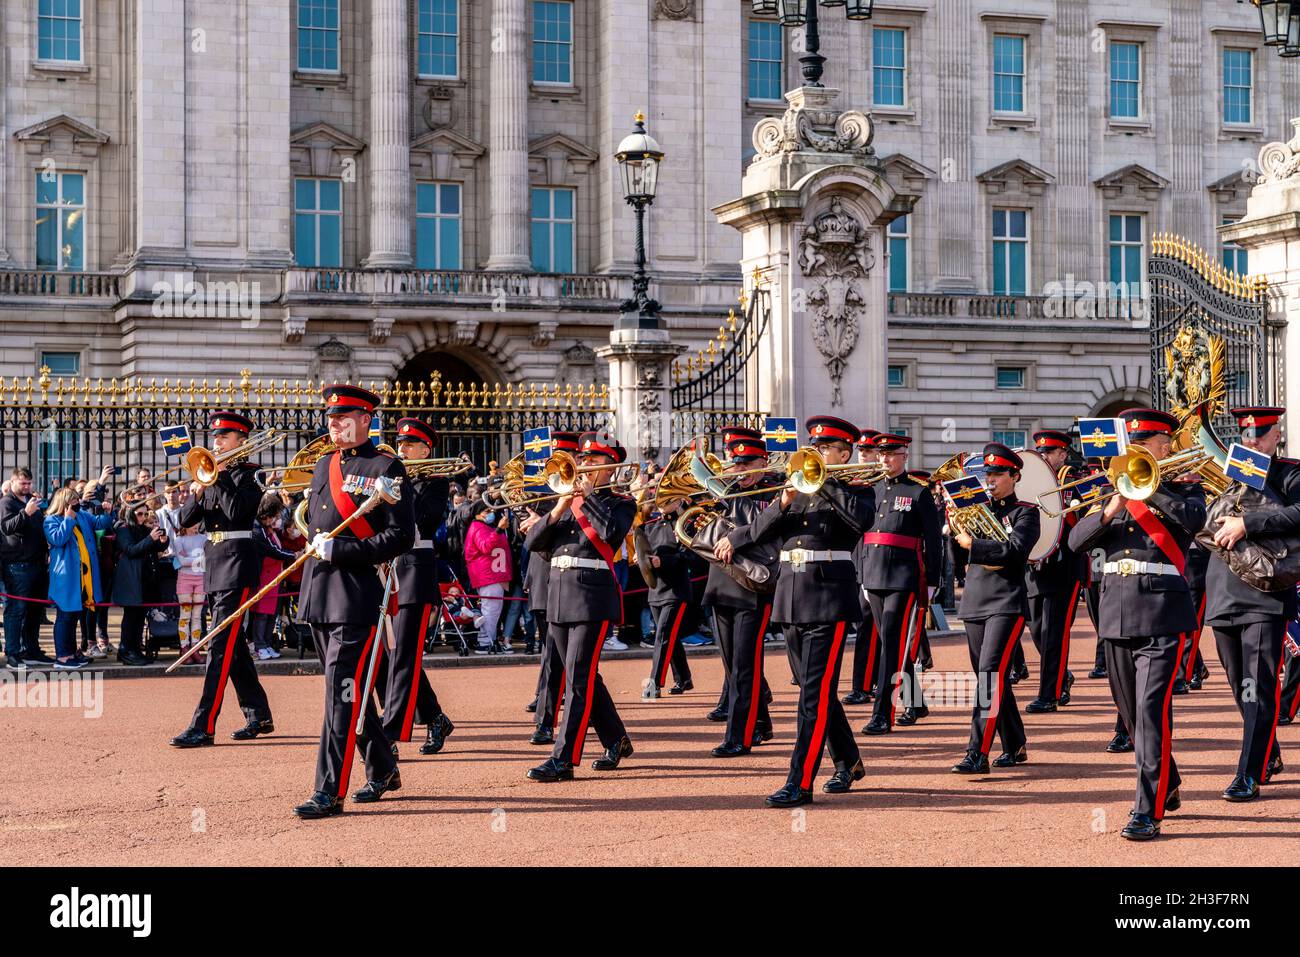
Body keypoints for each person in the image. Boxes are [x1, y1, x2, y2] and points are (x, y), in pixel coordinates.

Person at [1069, 408, 1206, 840]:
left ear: (1165, 447)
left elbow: (1196, 522)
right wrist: (1109, 509)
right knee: (1131, 717)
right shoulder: (1111, 489)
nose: (1134, 454)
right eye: (1132, 446)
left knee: (1150, 712)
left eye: (1144, 446)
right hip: (1115, 613)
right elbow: (1075, 542)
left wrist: (1149, 489)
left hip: (1162, 612)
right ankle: (1169, 782)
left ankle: (1146, 810)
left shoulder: (1184, 488)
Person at [292, 386, 414, 818]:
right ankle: (382, 768)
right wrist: (312, 541)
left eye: (343, 417)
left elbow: (400, 535)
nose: (334, 423)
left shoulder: (387, 466)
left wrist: (339, 550)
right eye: (330, 417)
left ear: (366, 418)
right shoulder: (324, 464)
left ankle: (329, 790)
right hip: (320, 592)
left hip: (358, 596)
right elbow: (317, 519)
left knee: (340, 694)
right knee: (349, 689)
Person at [742, 415, 873, 807]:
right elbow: (756, 534)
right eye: (813, 448)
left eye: (825, 448)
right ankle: (848, 761)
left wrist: (826, 479)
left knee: (812, 698)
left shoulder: (857, 487)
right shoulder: (795, 488)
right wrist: (781, 502)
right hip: (791, 597)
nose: (815, 453)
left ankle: (799, 781)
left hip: (827, 600)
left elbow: (861, 521)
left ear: (844, 453)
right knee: (816, 692)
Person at [522, 431, 636, 783]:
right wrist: (556, 509)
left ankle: (564, 758)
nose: (585, 466)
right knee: (580, 676)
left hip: (592, 597)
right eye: (583, 460)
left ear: (610, 467)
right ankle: (616, 739)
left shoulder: (620, 502)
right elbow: (533, 543)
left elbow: (610, 535)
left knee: (579, 678)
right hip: (558, 594)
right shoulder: (563, 500)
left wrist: (587, 500)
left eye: (594, 461)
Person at [1204, 406, 1298, 802]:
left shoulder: (1290, 474)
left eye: (1260, 435)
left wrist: (1249, 522)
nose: (1252, 442)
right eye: (1246, 436)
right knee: (1239, 686)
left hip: (1265, 592)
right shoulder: (1222, 473)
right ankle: (1268, 752)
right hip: (1224, 589)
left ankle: (1249, 772)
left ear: (1276, 435)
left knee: (1257, 686)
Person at [169, 411, 276, 749]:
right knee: (232, 647)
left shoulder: (250, 474)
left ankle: (204, 724)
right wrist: (196, 492)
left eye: (223, 437)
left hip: (238, 562)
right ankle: (258, 714)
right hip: (214, 564)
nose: (215, 442)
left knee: (219, 645)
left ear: (241, 442)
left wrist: (219, 478)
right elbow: (185, 521)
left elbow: (237, 512)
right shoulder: (211, 474)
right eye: (215, 437)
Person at [949, 443, 1040, 773]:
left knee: (989, 675)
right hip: (974, 600)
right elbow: (960, 560)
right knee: (993, 677)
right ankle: (1014, 744)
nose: (991, 479)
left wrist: (976, 545)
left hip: (1006, 602)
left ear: (1014, 476)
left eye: (998, 474)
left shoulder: (1026, 512)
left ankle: (978, 752)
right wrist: (954, 531)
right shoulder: (976, 510)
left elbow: (1016, 551)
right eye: (988, 473)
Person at [378, 417, 455, 756]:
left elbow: (420, 522)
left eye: (409, 445)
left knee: (404, 656)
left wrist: (398, 486)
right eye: (401, 444)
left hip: (415, 572)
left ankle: (391, 732)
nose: (402, 449)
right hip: (388, 574)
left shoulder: (436, 483)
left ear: (426, 449)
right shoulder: (394, 480)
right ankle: (435, 718)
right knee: (394, 655)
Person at [860, 433, 941, 734]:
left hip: (903, 578)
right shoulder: (871, 489)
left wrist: (931, 581)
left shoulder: (918, 493)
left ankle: (883, 712)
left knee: (891, 644)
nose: (884, 459)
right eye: (881, 454)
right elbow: (862, 537)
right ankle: (916, 701)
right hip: (873, 575)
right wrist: (862, 575)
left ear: (904, 455)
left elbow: (933, 542)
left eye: (891, 454)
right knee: (890, 644)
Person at [706, 431, 780, 755]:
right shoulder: (726, 490)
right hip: (722, 584)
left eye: (747, 463)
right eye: (737, 463)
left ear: (763, 462)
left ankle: (738, 737)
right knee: (731, 663)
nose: (740, 469)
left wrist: (735, 535)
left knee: (745, 664)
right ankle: (761, 722)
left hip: (755, 586)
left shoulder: (775, 490)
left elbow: (764, 523)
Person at [1022, 430, 1087, 713]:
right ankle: (1062, 675)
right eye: (1041, 452)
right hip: (1035, 568)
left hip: (1064, 565)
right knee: (1036, 628)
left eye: (1050, 453)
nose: (1044, 457)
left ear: (1063, 454)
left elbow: (1086, 519)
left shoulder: (1075, 480)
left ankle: (1049, 693)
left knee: (1053, 632)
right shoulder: (1028, 481)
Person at [525, 431, 581, 746]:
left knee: (562, 658)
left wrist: (544, 524)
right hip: (542, 575)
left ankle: (550, 720)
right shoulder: (539, 487)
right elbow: (534, 535)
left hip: (568, 575)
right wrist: (534, 523)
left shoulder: (583, 492)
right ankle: (547, 718)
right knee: (550, 653)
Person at [42, 487, 114, 669]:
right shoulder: (51, 520)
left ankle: (73, 652)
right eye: (73, 501)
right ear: (64, 503)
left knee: (75, 616)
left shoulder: (82, 516)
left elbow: (100, 523)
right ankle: (62, 657)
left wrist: (107, 512)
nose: (77, 504)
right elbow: (58, 539)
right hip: (66, 578)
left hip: (84, 577)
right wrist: (68, 520)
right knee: (65, 617)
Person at [642, 495, 694, 699]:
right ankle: (683, 678)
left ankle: (655, 683)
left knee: (663, 635)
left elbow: (690, 556)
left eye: (668, 498)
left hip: (676, 590)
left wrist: (662, 562)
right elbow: (643, 549)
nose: (662, 503)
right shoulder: (650, 526)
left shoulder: (685, 524)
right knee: (669, 636)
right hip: (655, 589)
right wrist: (643, 559)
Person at [843, 428, 881, 705]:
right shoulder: (852, 482)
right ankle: (864, 684)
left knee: (890, 632)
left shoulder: (883, 484)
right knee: (865, 625)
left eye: (869, 452)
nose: (864, 456)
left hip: (884, 566)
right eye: (862, 451)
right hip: (858, 562)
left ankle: (879, 684)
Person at [1, 468, 52, 667]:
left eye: (29, 483)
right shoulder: (6, 503)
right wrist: (25, 513)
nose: (27, 486)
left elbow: (39, 529)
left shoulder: (33, 501)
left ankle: (31, 649)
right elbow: (6, 528)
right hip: (17, 566)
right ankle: (13, 653)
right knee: (15, 610)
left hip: (37, 564)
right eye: (23, 483)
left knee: (35, 610)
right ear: (13, 482)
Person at [112, 501, 170, 665]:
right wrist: (151, 539)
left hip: (144, 579)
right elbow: (131, 550)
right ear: (131, 514)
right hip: (131, 579)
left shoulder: (144, 529)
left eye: (145, 514)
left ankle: (136, 649)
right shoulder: (123, 529)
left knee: (140, 617)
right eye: (140, 514)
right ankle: (125, 650)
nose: (143, 517)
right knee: (130, 617)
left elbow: (155, 547)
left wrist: (163, 541)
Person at [249, 493, 297, 660]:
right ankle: (259, 645)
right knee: (262, 614)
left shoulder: (269, 529)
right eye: (275, 516)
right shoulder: (258, 530)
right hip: (264, 576)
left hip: (274, 576)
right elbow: (273, 550)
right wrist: (294, 555)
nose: (277, 519)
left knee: (272, 614)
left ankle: (267, 643)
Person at [465, 499, 513, 654]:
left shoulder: (482, 527)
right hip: (489, 575)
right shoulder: (478, 527)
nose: (491, 514)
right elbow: (486, 546)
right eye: (487, 511)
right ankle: (485, 642)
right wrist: (499, 529)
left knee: (492, 610)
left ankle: (487, 640)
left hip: (492, 575)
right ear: (478, 514)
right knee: (490, 610)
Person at [173, 518, 207, 662]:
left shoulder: (204, 538)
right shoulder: (178, 540)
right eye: (193, 523)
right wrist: (198, 558)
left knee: (197, 616)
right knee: (185, 616)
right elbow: (182, 562)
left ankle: (195, 648)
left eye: (197, 523)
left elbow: (206, 558)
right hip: (185, 580)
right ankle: (184, 647)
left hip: (201, 579)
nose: (196, 526)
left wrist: (190, 559)